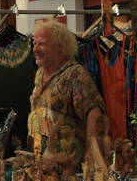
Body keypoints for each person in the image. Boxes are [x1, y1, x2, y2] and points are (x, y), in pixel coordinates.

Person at [28, 20, 105, 172]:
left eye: (41, 44)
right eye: (34, 43)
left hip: (68, 167)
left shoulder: (76, 74)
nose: (35, 49)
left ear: (60, 46)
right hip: (43, 165)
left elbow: (94, 113)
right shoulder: (40, 74)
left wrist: (91, 154)